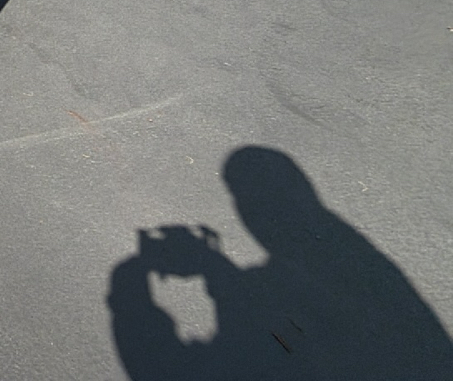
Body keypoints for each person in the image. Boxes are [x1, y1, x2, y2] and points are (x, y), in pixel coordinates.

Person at [108, 146, 453, 380]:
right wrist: (215, 269)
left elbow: (161, 364)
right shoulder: (360, 270)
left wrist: (133, 272)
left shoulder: (293, 278)